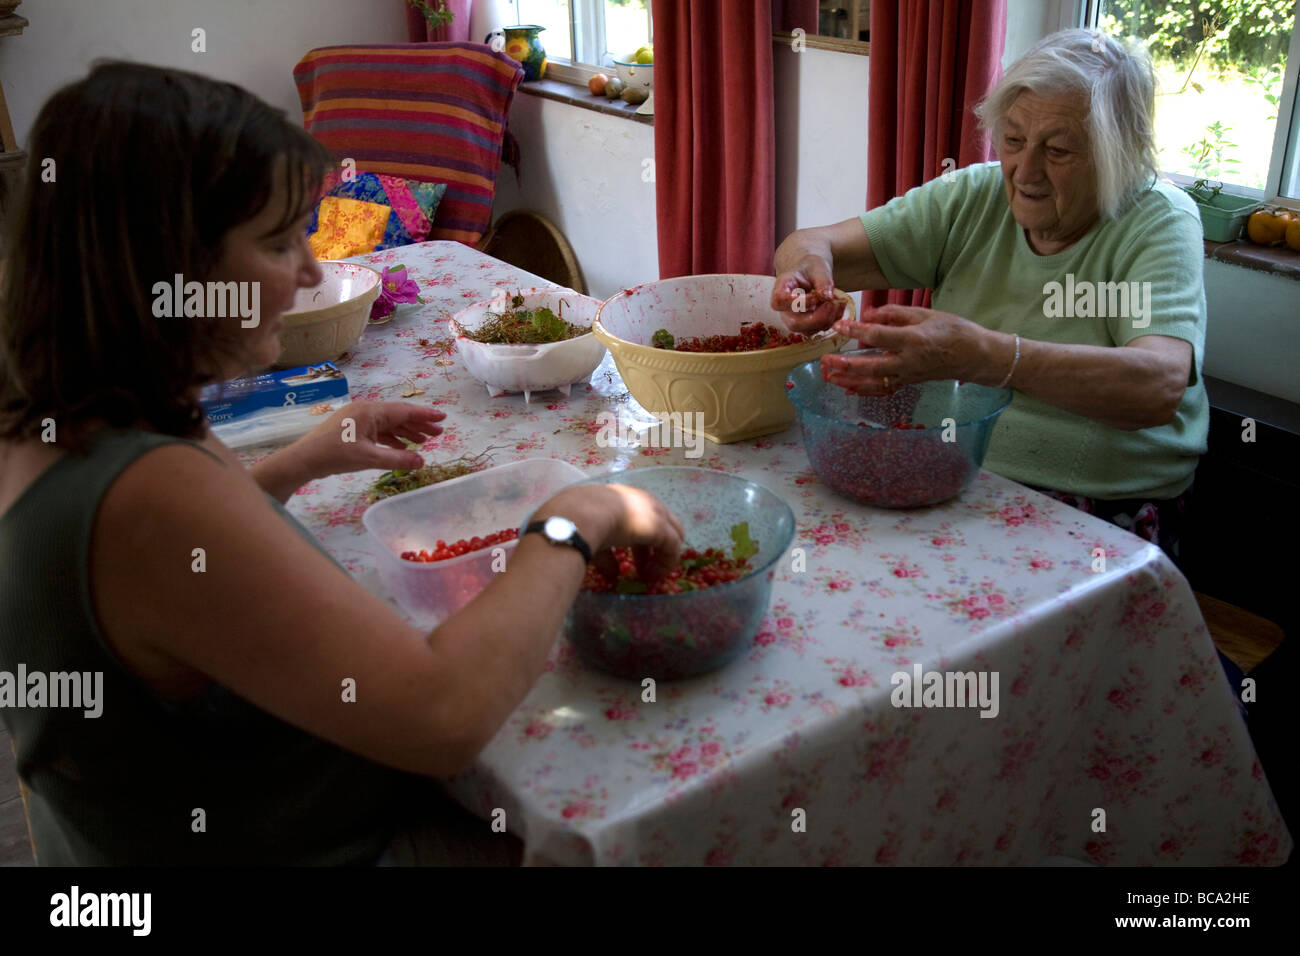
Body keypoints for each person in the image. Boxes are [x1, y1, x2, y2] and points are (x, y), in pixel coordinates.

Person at [0, 62, 683, 865]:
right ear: (168, 268)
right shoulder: (146, 493)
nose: (312, 270)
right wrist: (577, 517)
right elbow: (444, 716)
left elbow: (166, 583)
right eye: (277, 240)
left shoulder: (71, 419)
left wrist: (297, 462)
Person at [771, 28, 1207, 568]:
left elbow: (1156, 386)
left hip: (1099, 509)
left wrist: (987, 357)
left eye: (1060, 149)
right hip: (952, 474)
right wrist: (805, 270)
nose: (1025, 172)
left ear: (1121, 153)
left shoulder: (1158, 222)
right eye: (1014, 139)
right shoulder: (972, 196)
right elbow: (811, 243)